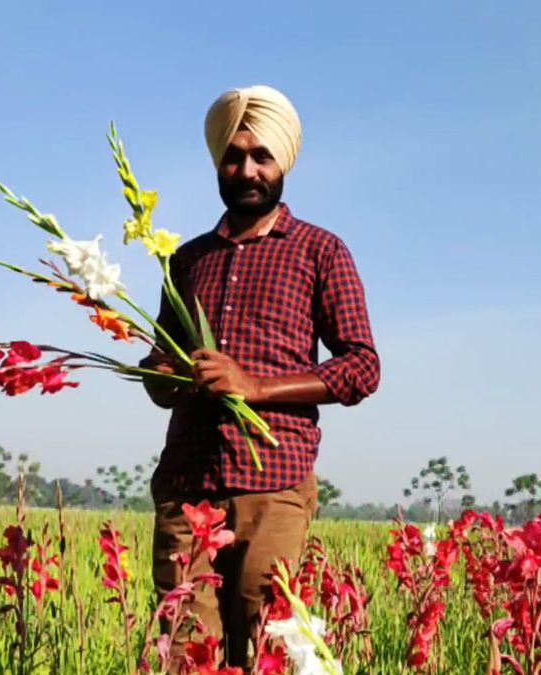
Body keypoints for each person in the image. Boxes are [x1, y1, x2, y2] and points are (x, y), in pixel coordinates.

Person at [141, 84, 380, 668]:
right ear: (218, 161)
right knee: (183, 654)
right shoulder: (185, 259)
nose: (247, 169)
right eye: (234, 155)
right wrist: (165, 375)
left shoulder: (320, 251)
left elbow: (361, 367)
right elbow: (155, 374)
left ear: (282, 164)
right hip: (187, 487)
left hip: (272, 484)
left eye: (261, 157)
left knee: (268, 650)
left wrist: (256, 387)